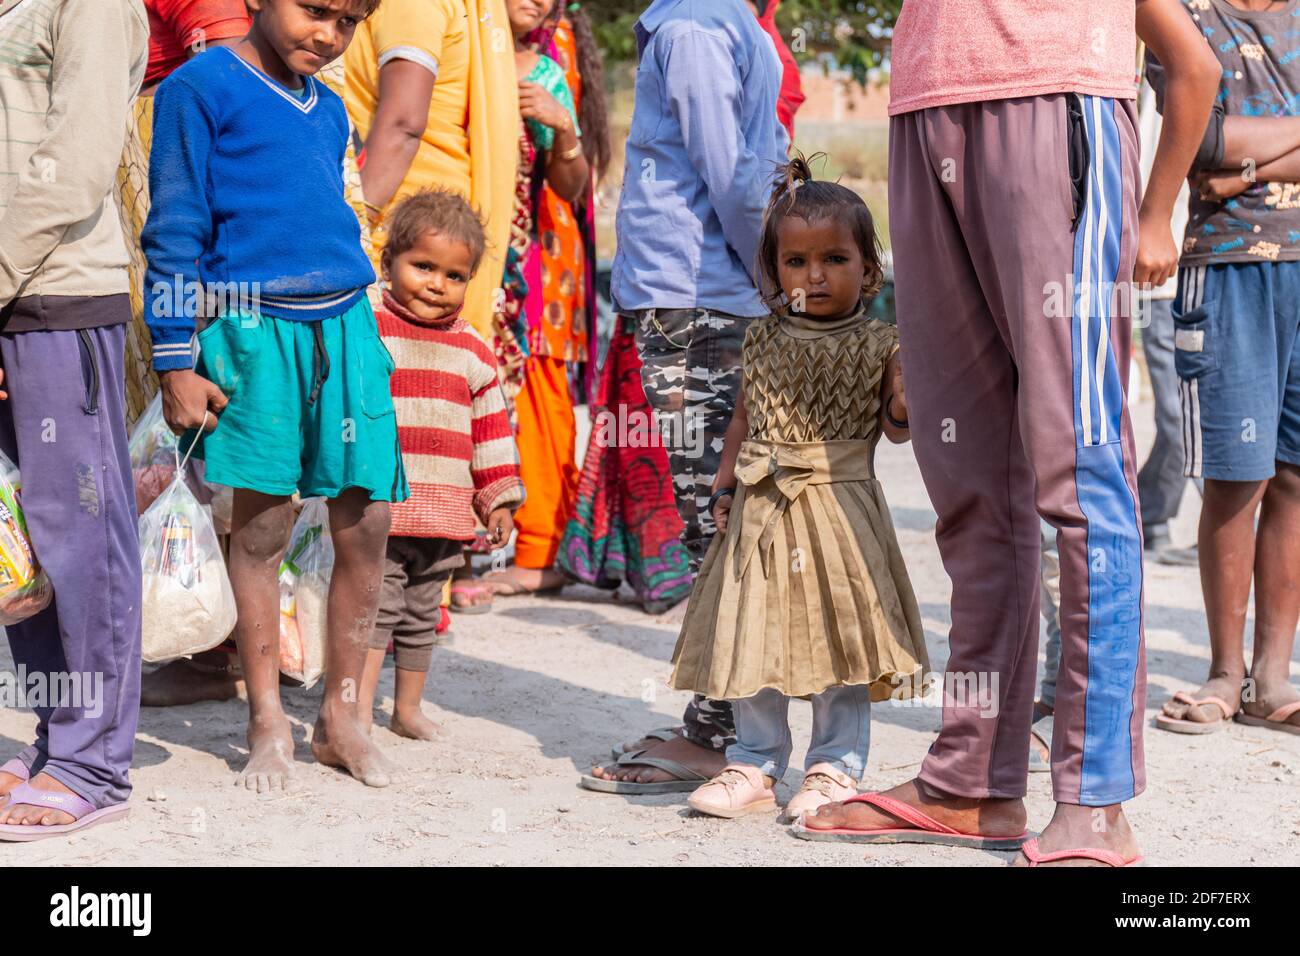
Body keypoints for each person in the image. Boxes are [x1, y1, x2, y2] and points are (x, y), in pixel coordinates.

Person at [802, 0, 1219, 866]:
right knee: (967, 484)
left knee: (1080, 473)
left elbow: (1195, 65)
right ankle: (972, 781)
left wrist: (1154, 214)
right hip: (925, 110)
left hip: (1054, 106)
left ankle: (1095, 799)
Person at [143, 0, 405, 792]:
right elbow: (175, 227)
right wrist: (174, 357)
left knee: (369, 520)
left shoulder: (330, 110)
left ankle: (343, 716)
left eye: (349, 22)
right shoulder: (198, 89)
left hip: (348, 330)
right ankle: (264, 720)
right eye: (315, 11)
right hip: (252, 334)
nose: (328, 35)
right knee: (262, 530)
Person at [673, 157, 930, 822]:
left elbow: (895, 431)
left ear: (869, 271)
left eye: (835, 259)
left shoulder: (883, 343)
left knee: (839, 638)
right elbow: (741, 418)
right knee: (751, 632)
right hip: (760, 512)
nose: (814, 276)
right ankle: (755, 763)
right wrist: (725, 486)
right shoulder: (759, 339)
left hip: (842, 513)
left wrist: (906, 399)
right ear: (773, 271)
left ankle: (833, 768)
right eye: (795, 261)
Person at [583, 0, 789, 794]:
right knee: (721, 518)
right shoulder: (722, 22)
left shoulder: (696, 25)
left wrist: (775, 277)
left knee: (714, 521)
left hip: (699, 299)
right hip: (712, 295)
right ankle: (727, 724)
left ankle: (721, 737)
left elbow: (734, 177)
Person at [0, 0, 149, 838]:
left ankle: (96, 763)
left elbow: (79, 158)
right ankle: (56, 737)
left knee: (81, 536)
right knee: (19, 544)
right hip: (4, 300)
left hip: (57, 293)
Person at [1152, 0, 1300, 737]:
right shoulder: (1183, 16)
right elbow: (1200, 143)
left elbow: (1223, 160)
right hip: (1228, 268)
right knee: (1237, 475)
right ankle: (1224, 669)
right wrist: (1223, 161)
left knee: (1297, 473)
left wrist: (1243, 167)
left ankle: (1274, 678)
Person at [357, 190, 525, 740]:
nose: (435, 283)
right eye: (422, 266)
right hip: (376, 509)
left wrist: (498, 497)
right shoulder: (367, 326)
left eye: (454, 276)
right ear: (389, 262)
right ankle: (355, 711)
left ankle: (406, 709)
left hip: (445, 515)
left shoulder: (473, 350)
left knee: (422, 614)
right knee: (374, 610)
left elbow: (490, 430)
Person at [126, 1, 255, 710]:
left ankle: (214, 644)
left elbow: (224, 82)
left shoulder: (202, 84)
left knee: (207, 450)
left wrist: (179, 352)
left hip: (203, 242)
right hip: (179, 238)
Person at [481, 1, 608, 601]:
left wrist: (563, 126)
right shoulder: (466, 43)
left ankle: (540, 551)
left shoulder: (547, 68)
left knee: (539, 393)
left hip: (536, 254)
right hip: (466, 244)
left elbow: (573, 182)